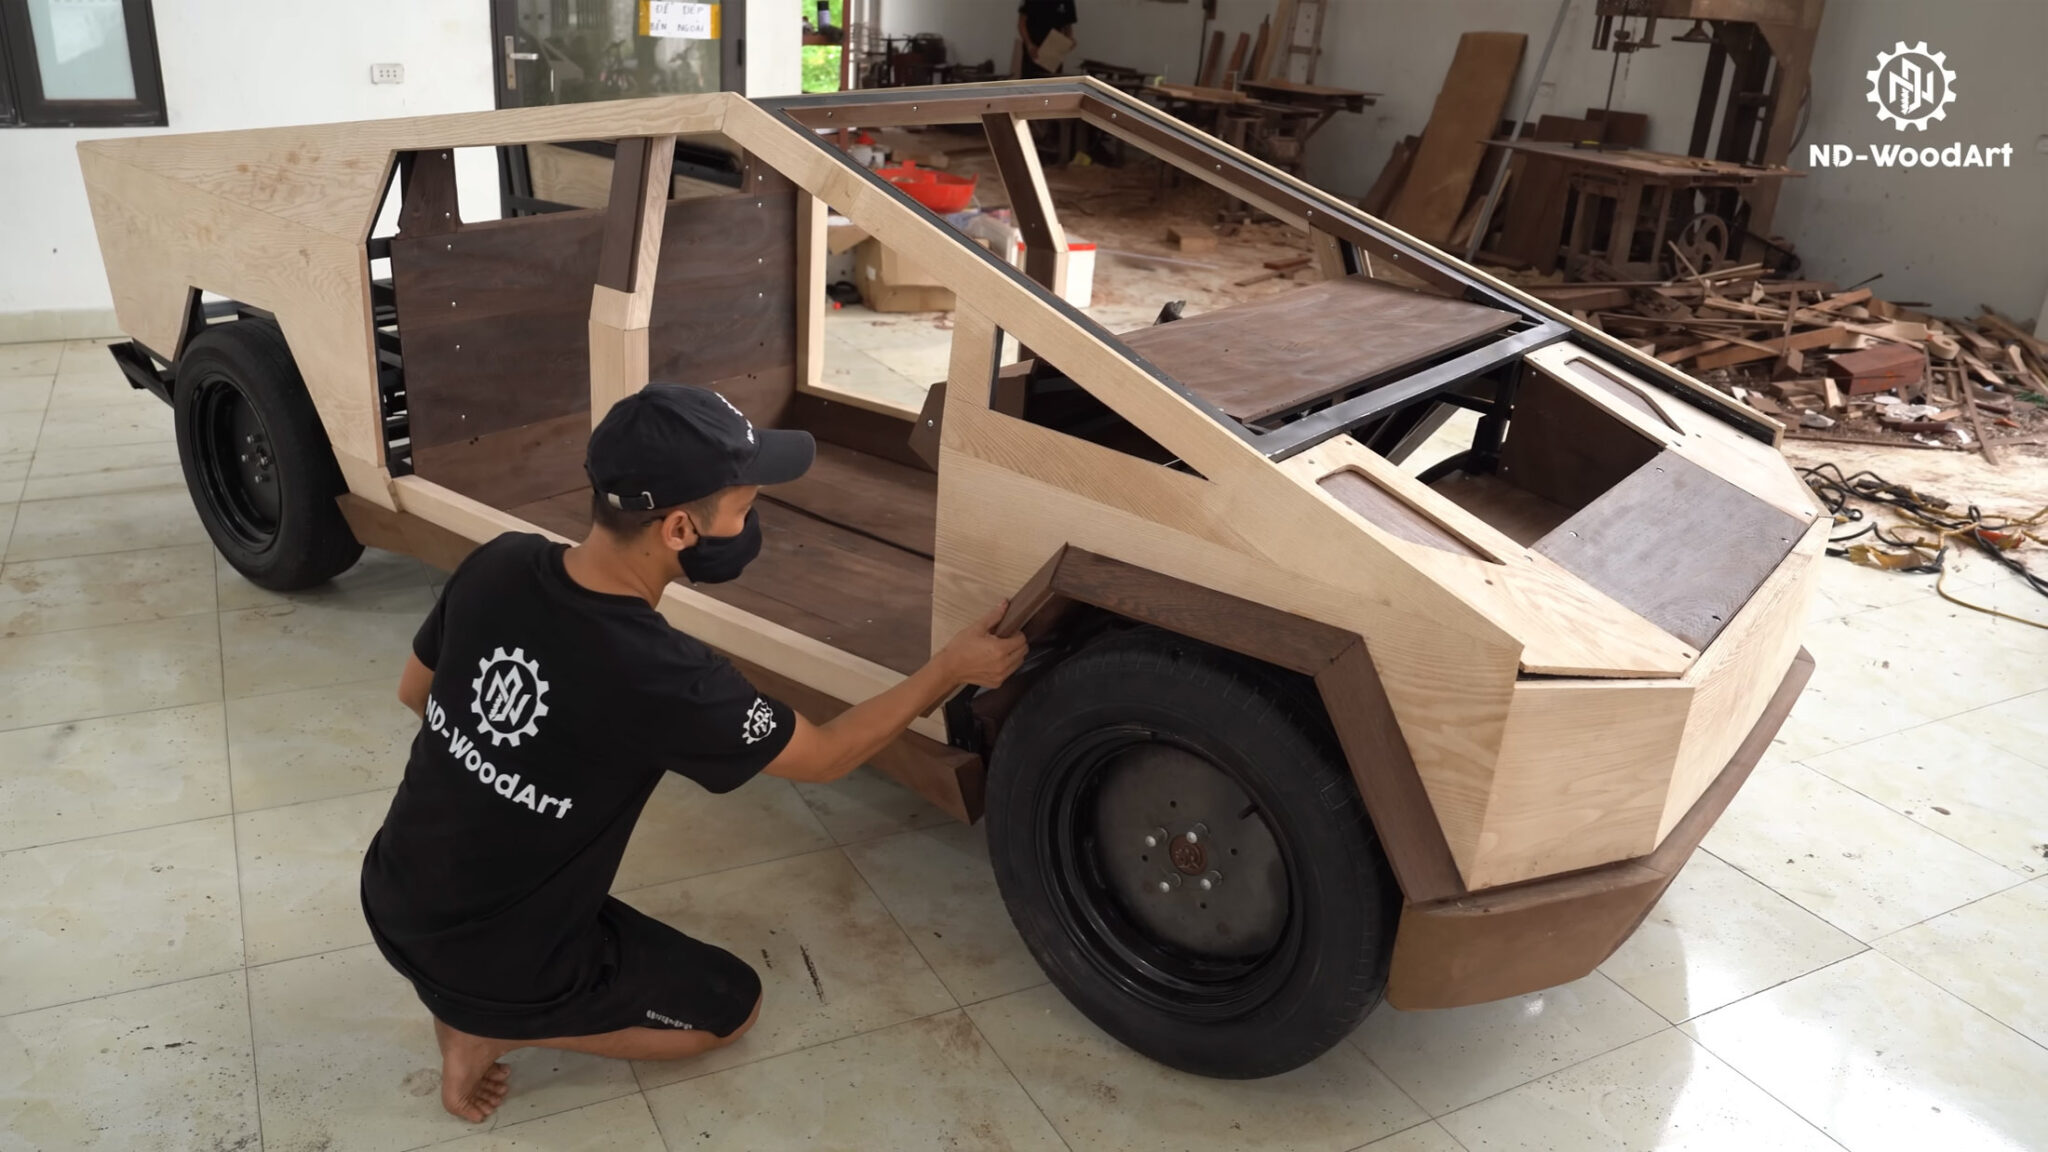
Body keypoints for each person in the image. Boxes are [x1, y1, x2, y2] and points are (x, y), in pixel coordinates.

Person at [359, 383, 1028, 1123]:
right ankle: (489, 1025)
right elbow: (830, 754)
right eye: (742, 507)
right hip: (494, 959)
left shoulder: (502, 562)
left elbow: (414, 691)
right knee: (730, 1010)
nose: (750, 522)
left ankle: (486, 989)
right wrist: (948, 671)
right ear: (680, 528)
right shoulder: (665, 676)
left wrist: (509, 767)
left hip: (395, 890)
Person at [1017, 0, 1078, 78]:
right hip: (1033, 51)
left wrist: (1069, 41)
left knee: (1051, 84)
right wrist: (1029, 45)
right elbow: (1021, 24)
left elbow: (1068, 27)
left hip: (1054, 53)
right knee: (1030, 84)